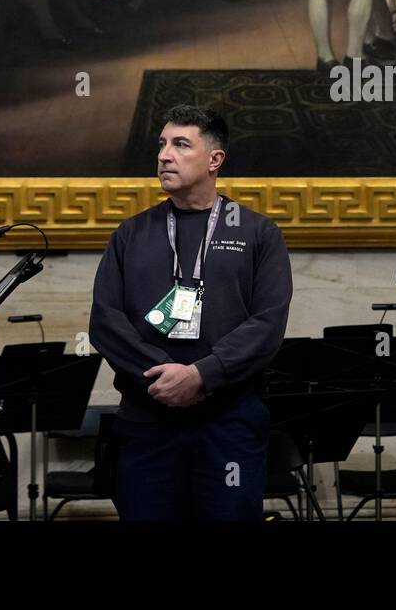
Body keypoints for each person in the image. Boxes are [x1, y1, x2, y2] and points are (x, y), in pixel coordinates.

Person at [90, 105, 293, 521]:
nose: (165, 155)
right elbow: (106, 322)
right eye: (162, 144)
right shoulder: (131, 234)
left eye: (181, 144)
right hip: (148, 423)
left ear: (215, 160)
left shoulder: (258, 233)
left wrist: (203, 375)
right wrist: (166, 375)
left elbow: (268, 324)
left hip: (228, 425)